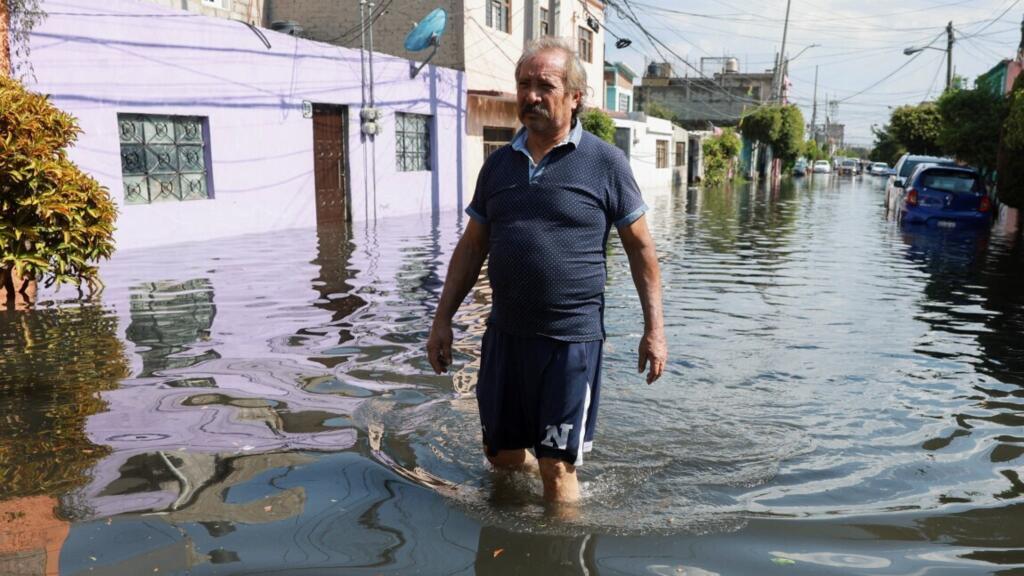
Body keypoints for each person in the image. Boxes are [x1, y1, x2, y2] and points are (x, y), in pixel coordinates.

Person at [426, 37, 666, 504]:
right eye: (523, 84)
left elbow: (641, 250)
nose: (531, 95)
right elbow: (472, 246)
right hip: (505, 336)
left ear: (576, 97)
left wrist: (654, 329)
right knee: (502, 456)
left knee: (557, 470)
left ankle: (560, 553)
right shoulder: (497, 166)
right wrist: (441, 321)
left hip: (569, 340)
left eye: (545, 85)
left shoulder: (604, 163)